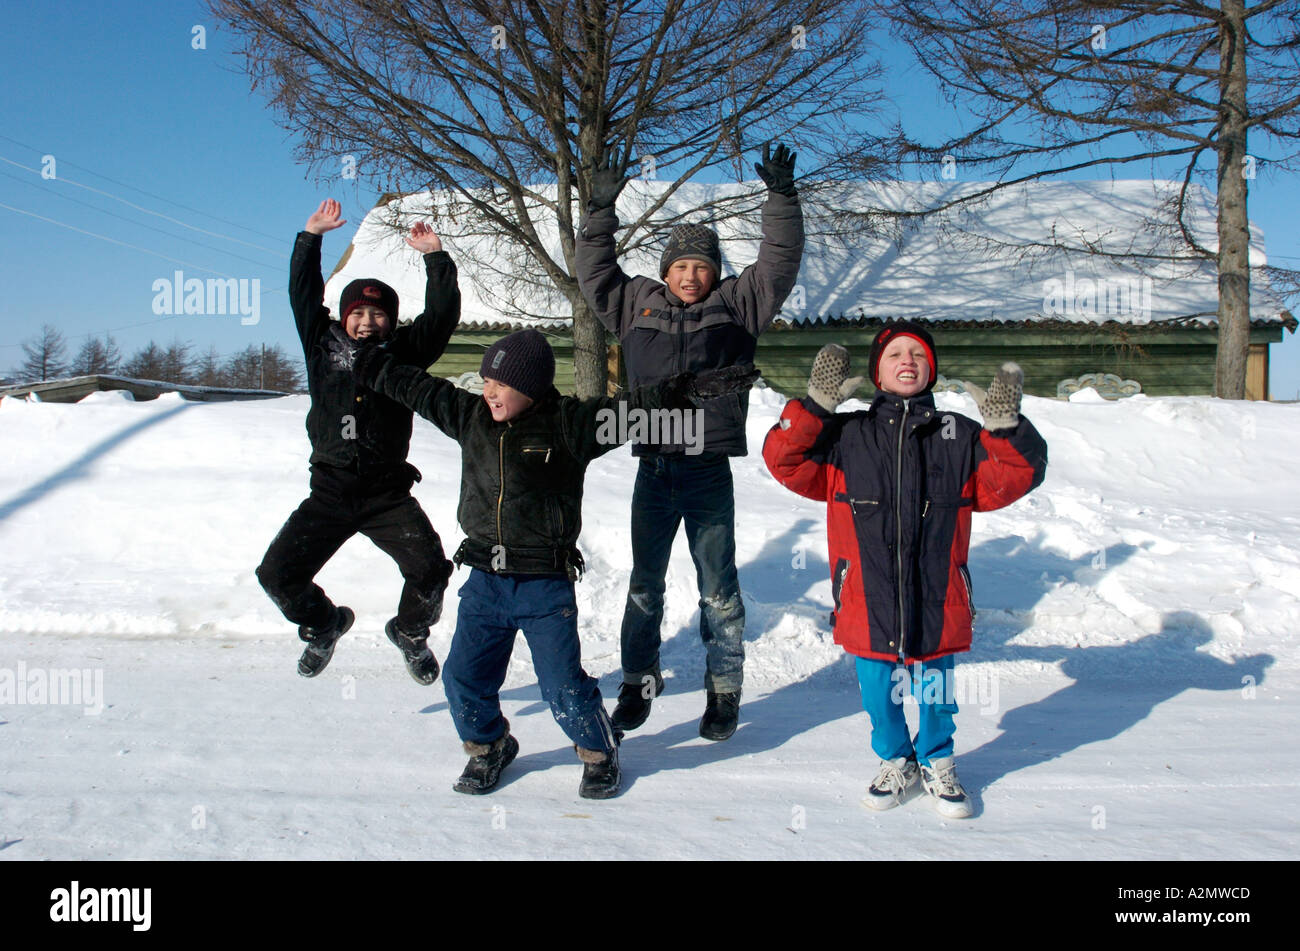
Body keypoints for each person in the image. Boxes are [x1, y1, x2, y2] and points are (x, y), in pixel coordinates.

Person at [353, 328, 759, 798]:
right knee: (463, 677)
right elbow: (417, 388)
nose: (489, 391)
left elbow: (628, 411)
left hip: (544, 584)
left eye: (500, 384)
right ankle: (489, 747)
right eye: (486, 380)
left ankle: (599, 750)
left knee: (563, 687)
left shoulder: (569, 425)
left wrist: (681, 390)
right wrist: (365, 364)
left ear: (530, 387)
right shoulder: (470, 417)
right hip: (485, 579)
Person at [762, 322, 1048, 818]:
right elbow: (785, 461)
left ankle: (938, 759)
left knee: (934, 687)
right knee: (877, 688)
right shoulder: (847, 434)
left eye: (918, 353)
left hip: (935, 591)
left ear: (931, 368)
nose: (908, 360)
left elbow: (1013, 478)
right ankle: (896, 759)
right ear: (878, 369)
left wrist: (1005, 429)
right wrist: (813, 407)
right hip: (865, 592)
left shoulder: (957, 435)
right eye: (896, 353)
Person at [575, 143, 805, 740]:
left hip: (707, 473)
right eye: (680, 267)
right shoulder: (634, 303)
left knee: (718, 592)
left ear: (714, 272)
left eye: (701, 267)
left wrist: (780, 198)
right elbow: (594, 268)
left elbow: (778, 263)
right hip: (654, 468)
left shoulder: (738, 305)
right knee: (644, 587)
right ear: (666, 268)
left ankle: (724, 693)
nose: (690, 276)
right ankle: (637, 684)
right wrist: (599, 207)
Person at [256, 199, 458, 683]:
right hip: (330, 492)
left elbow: (442, 316)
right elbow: (301, 294)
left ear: (392, 319)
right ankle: (324, 625)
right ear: (345, 316)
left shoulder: (405, 354)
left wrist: (435, 257)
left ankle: (410, 632)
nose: (368, 322)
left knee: (431, 570)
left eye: (379, 314)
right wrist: (311, 238)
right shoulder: (320, 345)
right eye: (359, 312)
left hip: (387, 495)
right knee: (277, 576)